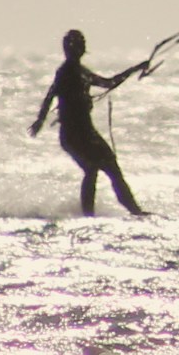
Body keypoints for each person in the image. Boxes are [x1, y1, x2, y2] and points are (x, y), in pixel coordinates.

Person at [31, 29, 145, 216]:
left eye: (81, 45)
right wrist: (40, 120)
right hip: (73, 135)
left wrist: (134, 69)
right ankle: (89, 216)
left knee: (111, 167)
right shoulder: (66, 72)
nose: (79, 49)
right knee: (92, 169)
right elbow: (51, 94)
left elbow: (108, 83)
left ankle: (135, 211)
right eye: (76, 45)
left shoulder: (81, 71)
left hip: (86, 132)